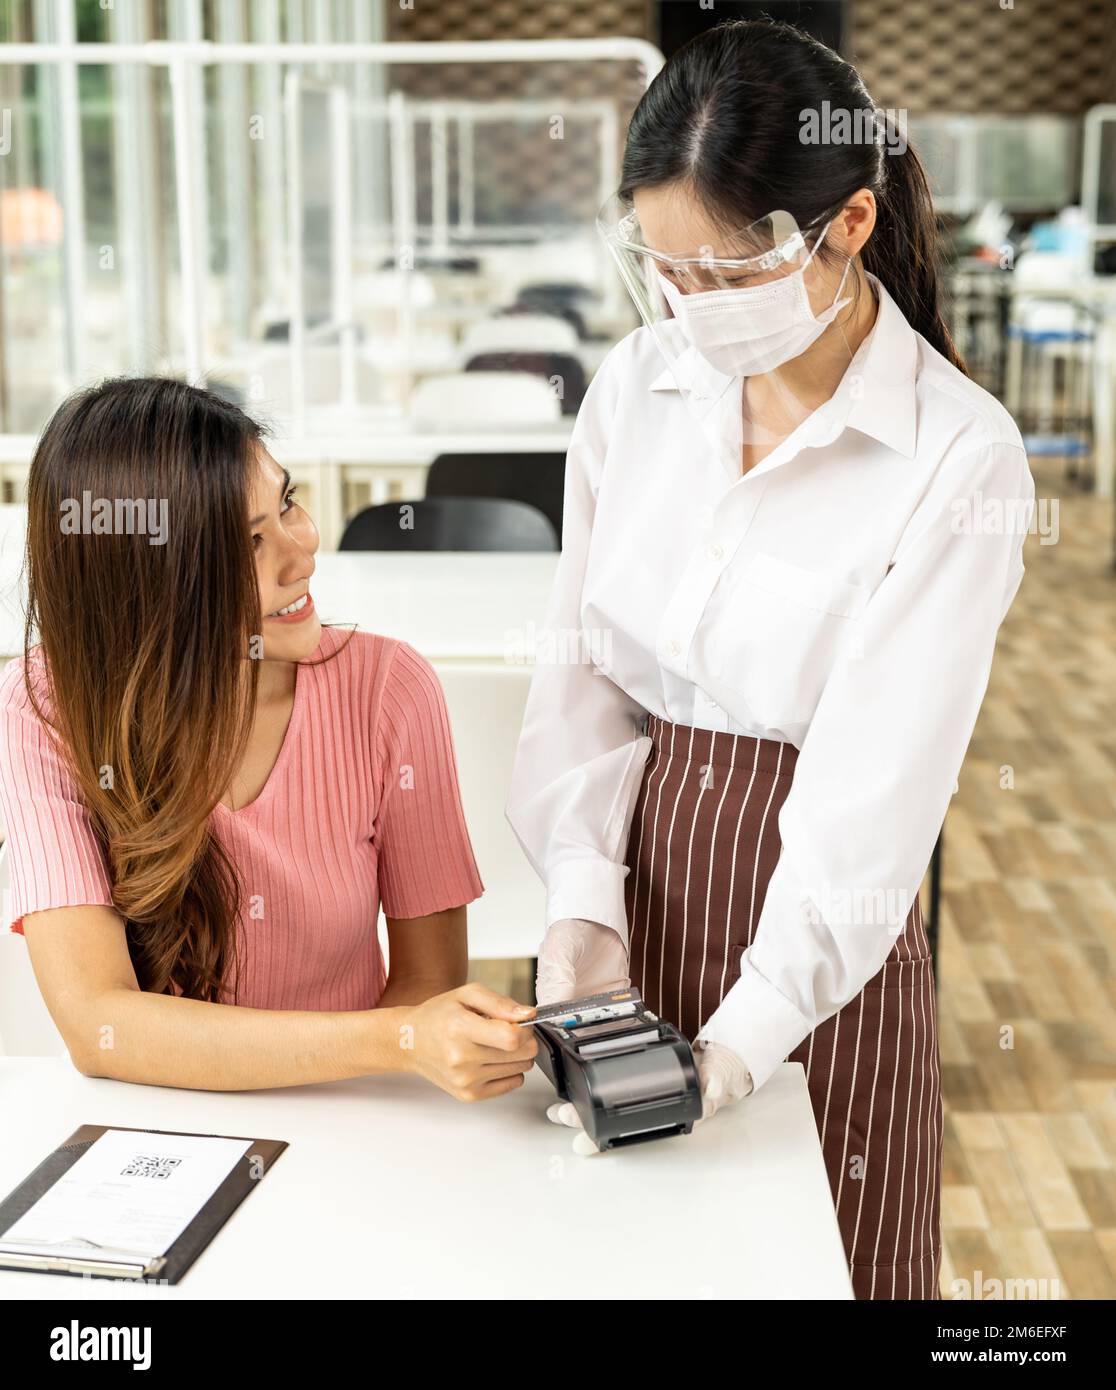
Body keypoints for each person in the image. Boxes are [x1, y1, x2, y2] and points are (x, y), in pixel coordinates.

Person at [506, 19, 1035, 1299]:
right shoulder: (638, 387)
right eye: (665, 270)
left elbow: (871, 802)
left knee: (820, 1266)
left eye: (728, 276)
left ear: (848, 224)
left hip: (822, 931)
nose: (692, 311)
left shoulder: (957, 460)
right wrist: (582, 899)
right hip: (636, 881)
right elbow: (583, 671)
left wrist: (735, 1051)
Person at [0, 376, 537, 1099]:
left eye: (285, 504)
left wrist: (400, 1048)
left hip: (350, 1119)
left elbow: (426, 983)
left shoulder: (389, 689)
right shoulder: (44, 708)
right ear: (151, 586)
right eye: (251, 543)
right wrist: (391, 1041)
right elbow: (99, 1025)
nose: (303, 551)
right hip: (157, 1127)